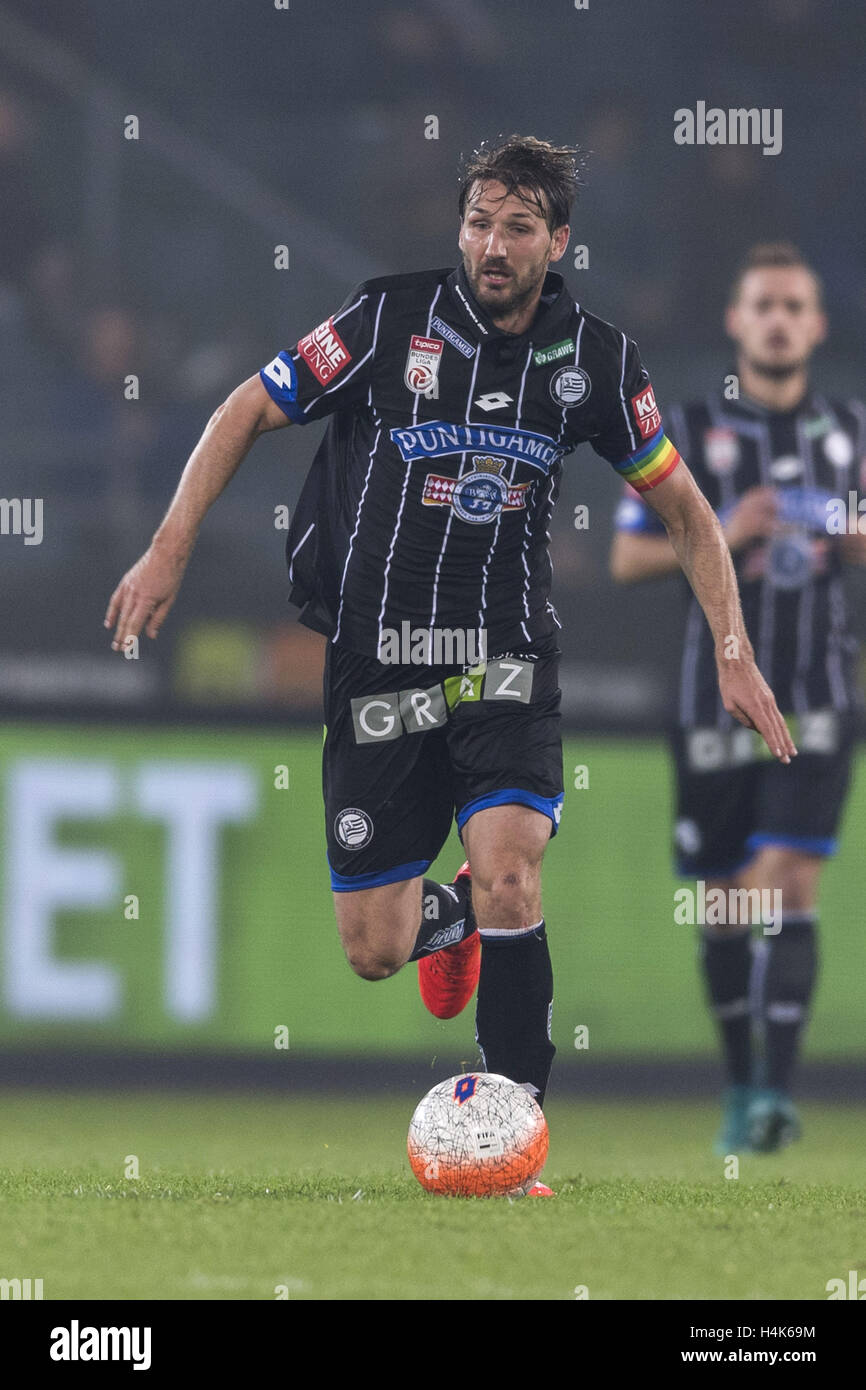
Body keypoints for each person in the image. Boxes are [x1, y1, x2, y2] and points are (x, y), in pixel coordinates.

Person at [105, 139, 795, 1179]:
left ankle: (517, 1140)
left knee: (511, 874)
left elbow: (689, 516)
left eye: (517, 227)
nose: (492, 244)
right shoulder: (385, 321)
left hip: (502, 662)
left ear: (556, 241)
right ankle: (445, 919)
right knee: (374, 949)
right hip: (377, 667)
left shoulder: (595, 362)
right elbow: (247, 406)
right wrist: (168, 547)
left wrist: (732, 650)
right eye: (478, 222)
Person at [610, 243, 865, 1153]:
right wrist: (728, 529)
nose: (780, 320)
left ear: (818, 325)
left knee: (787, 882)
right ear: (736, 320)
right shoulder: (689, 429)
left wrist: (840, 529)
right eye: (764, 304)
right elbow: (629, 556)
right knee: (723, 902)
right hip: (709, 696)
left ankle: (777, 1097)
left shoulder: (852, 431)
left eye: (796, 306)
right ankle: (741, 1084)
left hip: (820, 691)